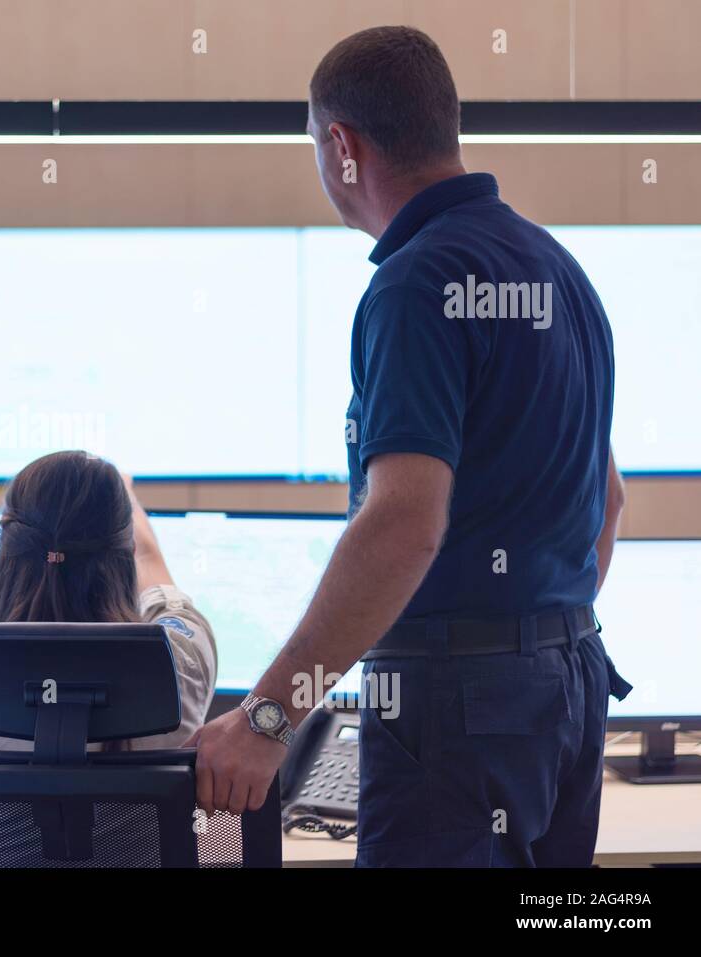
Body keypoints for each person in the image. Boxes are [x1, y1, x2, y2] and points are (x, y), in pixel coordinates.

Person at [186, 26, 631, 866]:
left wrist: (269, 717)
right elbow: (606, 502)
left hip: (457, 708)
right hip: (570, 689)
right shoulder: (560, 271)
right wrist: (533, 643)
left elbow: (403, 524)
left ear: (343, 147)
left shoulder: (417, 281)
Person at [0, 449, 217, 866]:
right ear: (122, 551)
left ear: (8, 551)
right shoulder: (181, 669)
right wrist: (124, 502)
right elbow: (160, 582)